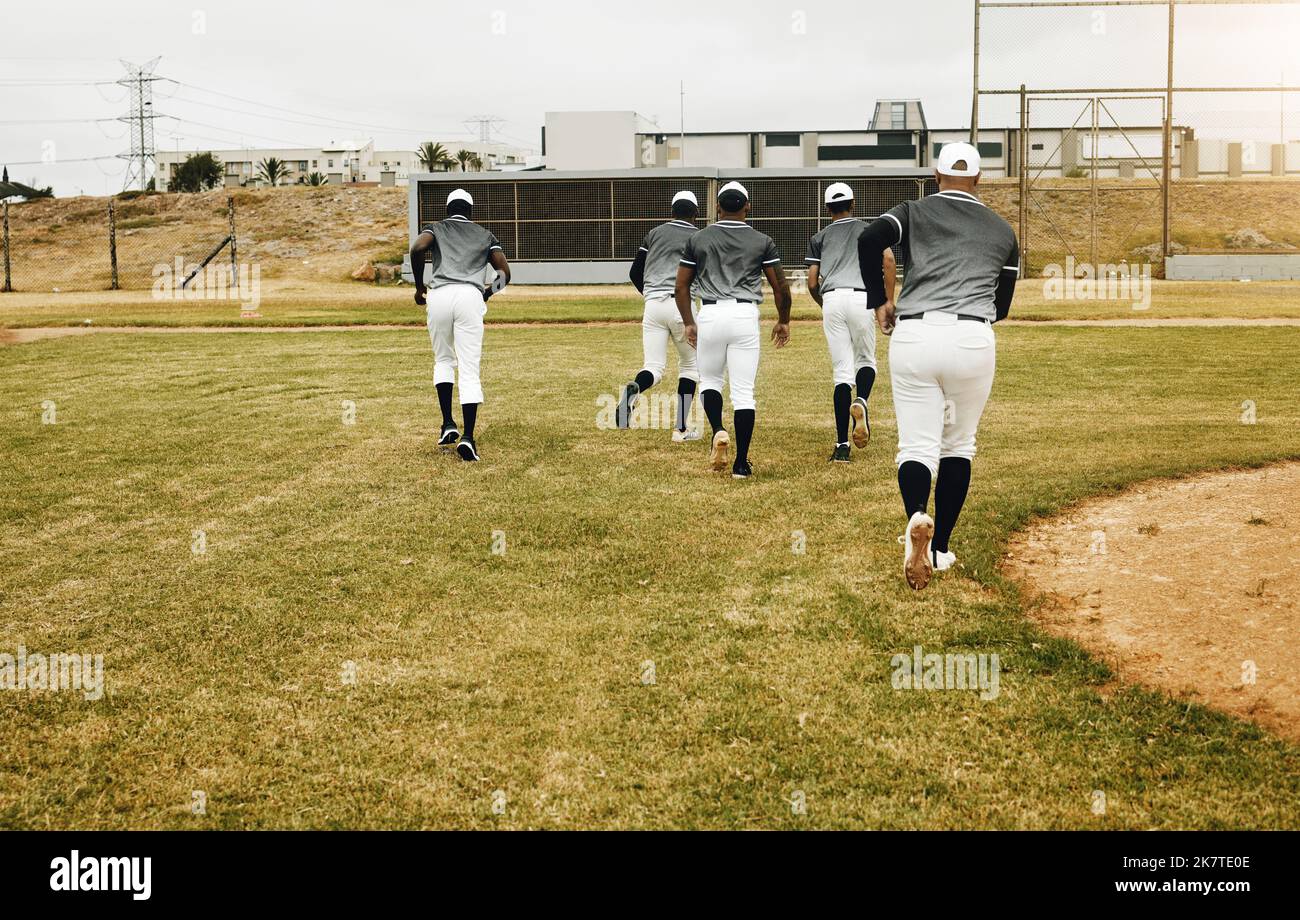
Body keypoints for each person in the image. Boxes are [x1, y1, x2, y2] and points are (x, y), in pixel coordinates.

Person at [857, 143, 1020, 588]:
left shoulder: (913, 211)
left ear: (936, 174)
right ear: (980, 179)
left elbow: (870, 239)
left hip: (916, 334)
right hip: (972, 335)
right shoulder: (1003, 230)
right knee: (959, 445)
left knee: (916, 446)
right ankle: (942, 547)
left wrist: (880, 301)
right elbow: (1001, 305)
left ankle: (915, 517)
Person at [675, 181, 792, 479]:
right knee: (744, 393)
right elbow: (780, 287)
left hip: (711, 312)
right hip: (744, 314)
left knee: (710, 381)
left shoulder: (698, 239)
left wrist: (689, 321)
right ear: (747, 206)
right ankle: (741, 464)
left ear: (717, 207)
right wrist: (783, 320)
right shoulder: (761, 240)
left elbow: (681, 285)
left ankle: (718, 430)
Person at [410, 188, 511, 462]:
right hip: (469, 295)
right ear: (470, 211)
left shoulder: (437, 228)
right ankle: (468, 437)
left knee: (443, 360)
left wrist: (420, 288)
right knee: (469, 368)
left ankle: (447, 424)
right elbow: (505, 273)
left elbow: (418, 248)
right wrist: (486, 293)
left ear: (448, 210)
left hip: (439, 295)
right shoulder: (484, 234)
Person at [805, 182, 896, 463]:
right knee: (866, 360)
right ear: (853, 203)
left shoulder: (819, 236)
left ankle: (842, 446)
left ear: (827, 208)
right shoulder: (870, 231)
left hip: (832, 298)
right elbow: (889, 260)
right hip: (861, 297)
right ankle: (862, 401)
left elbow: (811, 281)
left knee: (841, 372)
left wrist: (824, 303)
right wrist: (886, 300)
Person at [617, 190, 702, 441]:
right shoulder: (698, 237)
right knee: (690, 367)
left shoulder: (654, 234)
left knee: (653, 367)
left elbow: (635, 272)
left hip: (653, 306)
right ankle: (681, 430)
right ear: (695, 214)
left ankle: (634, 390)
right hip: (681, 306)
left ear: (672, 211)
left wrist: (651, 294)